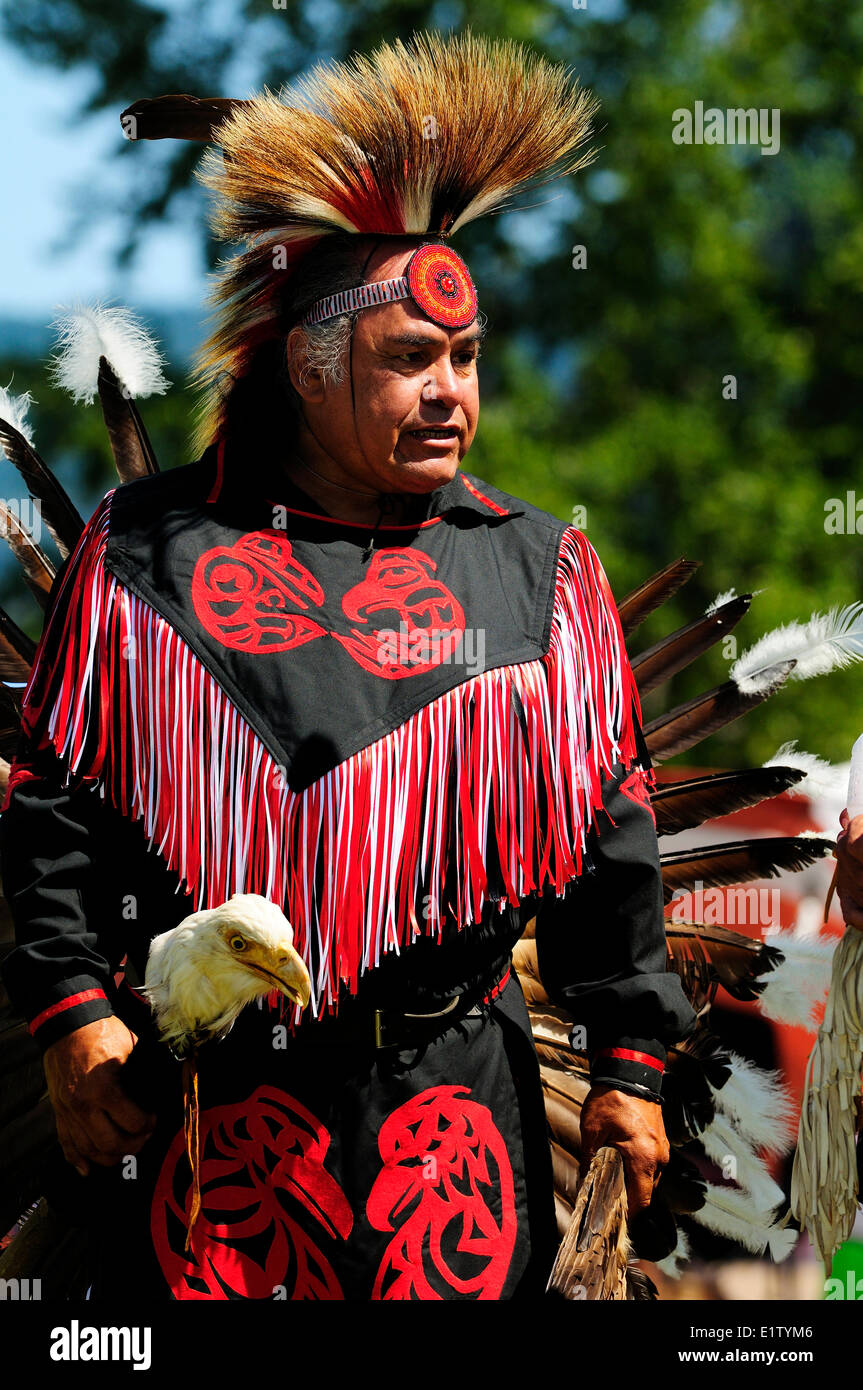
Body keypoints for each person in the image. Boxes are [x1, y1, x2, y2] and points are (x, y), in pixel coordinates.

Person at [0, 33, 696, 1300]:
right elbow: (56, 809)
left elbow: (610, 845)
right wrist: (73, 1016)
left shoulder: (533, 576)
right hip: (214, 1117)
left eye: (467, 358)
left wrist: (627, 1068)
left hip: (458, 1110)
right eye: (409, 360)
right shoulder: (150, 555)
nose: (448, 394)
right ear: (312, 370)